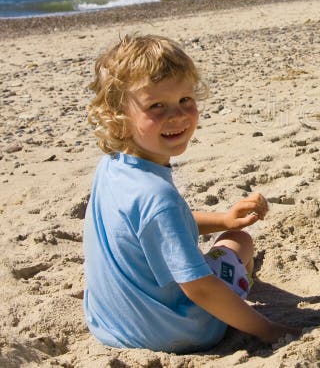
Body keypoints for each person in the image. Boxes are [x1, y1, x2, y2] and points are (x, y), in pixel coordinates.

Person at [83, 34, 296, 352]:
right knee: (240, 242)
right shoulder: (157, 196)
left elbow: (153, 228)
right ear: (119, 116)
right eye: (156, 106)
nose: (177, 115)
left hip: (110, 323)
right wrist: (267, 329)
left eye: (185, 100)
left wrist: (223, 217)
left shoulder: (111, 168)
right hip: (181, 331)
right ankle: (242, 288)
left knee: (224, 234)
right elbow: (199, 288)